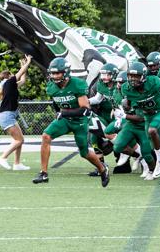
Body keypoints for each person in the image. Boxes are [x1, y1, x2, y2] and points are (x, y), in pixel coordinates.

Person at [33, 57, 110, 186]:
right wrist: (59, 112)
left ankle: (102, 169)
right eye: (52, 73)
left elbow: (84, 110)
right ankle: (44, 173)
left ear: (66, 72)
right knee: (46, 136)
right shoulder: (52, 87)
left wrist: (62, 113)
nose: (54, 76)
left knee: (84, 153)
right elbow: (56, 101)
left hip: (79, 121)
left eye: (57, 73)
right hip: (65, 120)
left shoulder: (77, 84)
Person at [0, 55, 32, 171]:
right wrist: (28, 62)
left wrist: (23, 66)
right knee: (19, 140)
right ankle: (3, 157)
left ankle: (17, 164)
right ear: (9, 76)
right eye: (12, 74)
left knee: (20, 140)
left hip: (9, 116)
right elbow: (20, 73)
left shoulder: (10, 86)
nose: (13, 75)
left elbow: (23, 80)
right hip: (7, 117)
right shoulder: (9, 82)